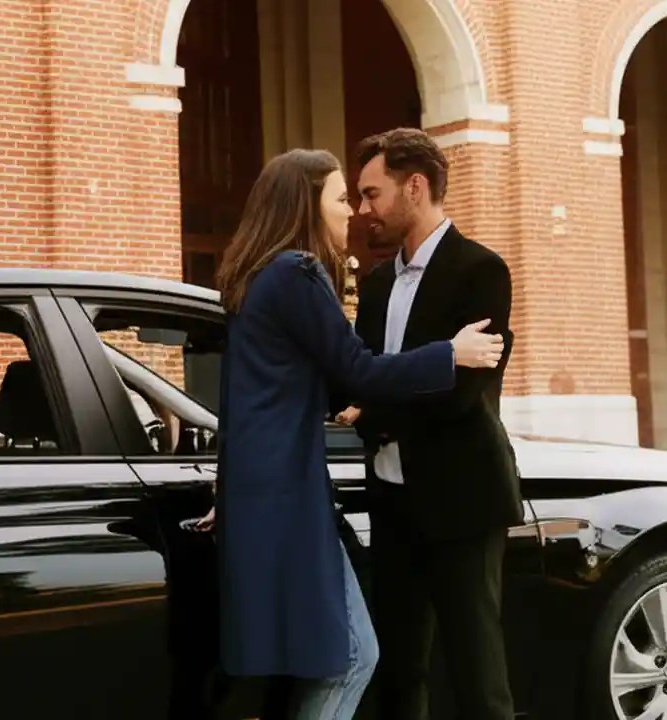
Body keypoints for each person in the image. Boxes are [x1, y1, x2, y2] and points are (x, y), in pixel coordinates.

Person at [197, 147, 506, 720]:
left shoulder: (256, 277)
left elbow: (244, 399)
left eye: (363, 196)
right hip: (289, 498)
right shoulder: (297, 271)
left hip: (267, 491)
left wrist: (228, 486)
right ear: (305, 205)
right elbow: (357, 367)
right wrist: (449, 354)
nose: (353, 214)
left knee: (322, 662)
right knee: (355, 657)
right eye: (342, 198)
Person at [341, 128, 525, 720]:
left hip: (464, 499)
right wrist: (383, 388)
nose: (364, 209)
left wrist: (374, 399)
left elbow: (461, 395)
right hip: (390, 499)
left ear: (414, 187)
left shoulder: (481, 273)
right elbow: (358, 377)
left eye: (373, 194)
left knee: (476, 670)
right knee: (399, 669)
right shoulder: (373, 283)